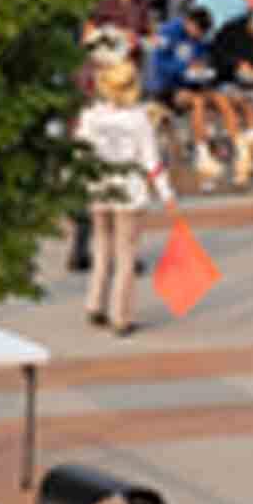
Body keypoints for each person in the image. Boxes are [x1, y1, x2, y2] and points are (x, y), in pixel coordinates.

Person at [74, 61, 168, 333]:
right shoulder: (139, 118)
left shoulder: (91, 114)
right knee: (126, 253)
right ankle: (121, 315)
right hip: (129, 189)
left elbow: (81, 151)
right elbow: (151, 160)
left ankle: (94, 304)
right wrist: (166, 192)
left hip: (99, 186)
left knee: (102, 244)